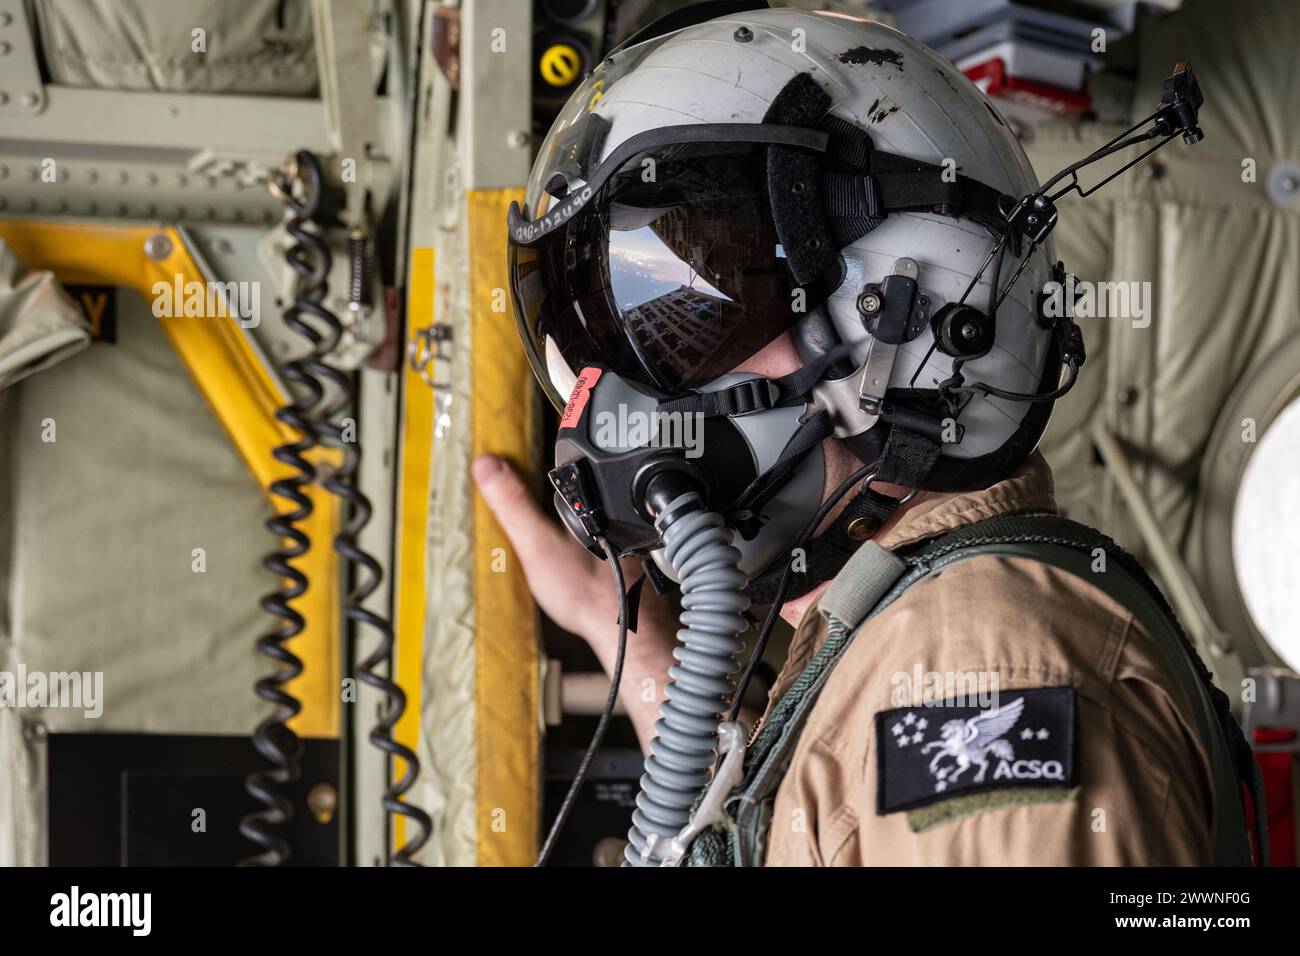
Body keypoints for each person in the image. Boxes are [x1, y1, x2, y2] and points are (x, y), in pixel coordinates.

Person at [491, 7, 1259, 865]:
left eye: (692, 319)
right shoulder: (910, 643)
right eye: (601, 346)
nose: (615, 403)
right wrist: (623, 636)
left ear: (917, 312)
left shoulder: (982, 677)